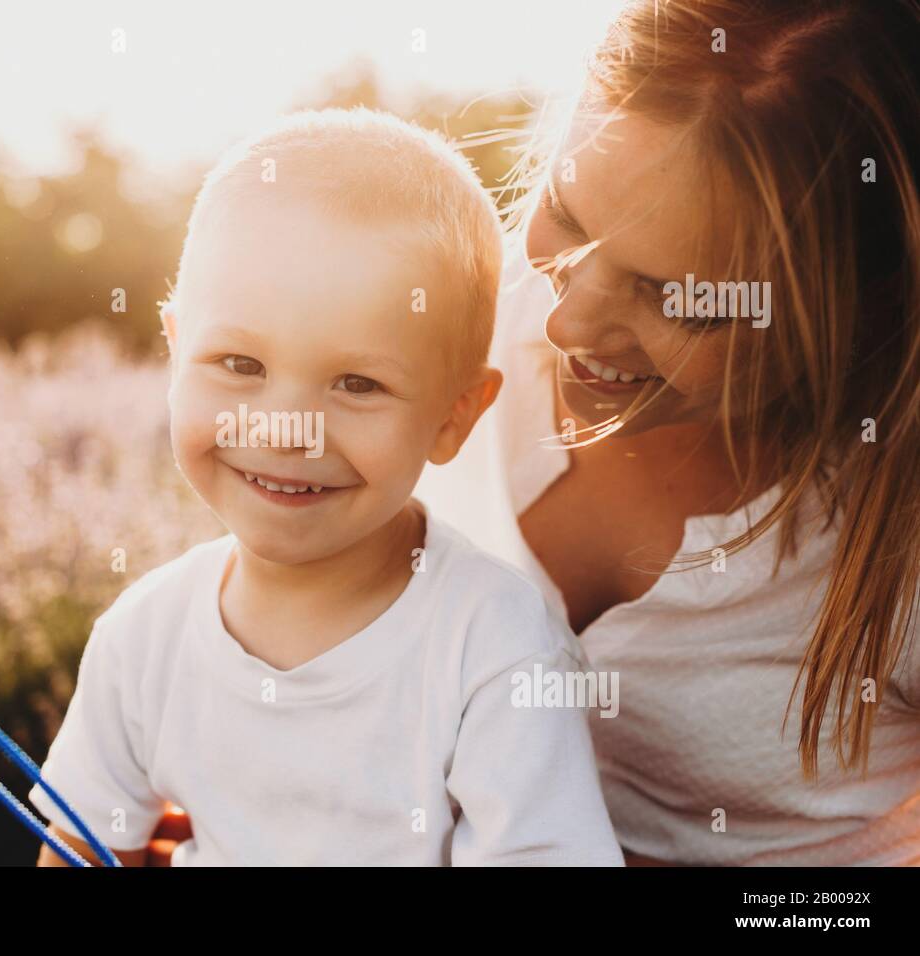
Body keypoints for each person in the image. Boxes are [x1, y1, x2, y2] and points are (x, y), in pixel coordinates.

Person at [148, 0, 920, 867]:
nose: (564, 324)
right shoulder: (434, 315)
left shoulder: (895, 534)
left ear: (857, 313)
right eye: (568, 214)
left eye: (672, 297)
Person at [29, 107, 624, 865]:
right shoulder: (141, 638)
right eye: (240, 366)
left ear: (454, 416)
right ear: (175, 353)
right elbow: (78, 847)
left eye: (357, 382)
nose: (286, 429)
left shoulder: (497, 646)